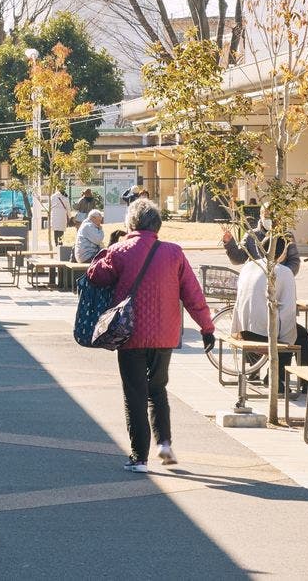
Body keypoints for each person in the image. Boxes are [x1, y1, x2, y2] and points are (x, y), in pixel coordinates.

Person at [86, 199, 215, 472]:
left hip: (129, 334)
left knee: (134, 394)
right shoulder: (174, 253)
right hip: (165, 336)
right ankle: (164, 444)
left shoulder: (120, 251)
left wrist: (109, 248)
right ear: (157, 224)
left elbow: (95, 276)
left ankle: (139, 457)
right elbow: (193, 295)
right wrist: (207, 328)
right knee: (158, 390)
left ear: (130, 224)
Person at [232, 251, 308, 381]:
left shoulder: (248, 266)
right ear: (283, 252)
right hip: (263, 333)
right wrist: (287, 340)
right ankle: (297, 382)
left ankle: (275, 376)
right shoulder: (284, 272)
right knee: (298, 335)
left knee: (288, 331)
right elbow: (288, 310)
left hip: (243, 329)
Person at [222, 205, 302, 274]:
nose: (270, 220)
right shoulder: (251, 235)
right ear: (260, 215)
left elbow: (294, 261)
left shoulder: (286, 236)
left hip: (280, 283)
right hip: (257, 281)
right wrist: (229, 243)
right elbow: (237, 259)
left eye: (272, 217)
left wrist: (282, 274)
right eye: (266, 217)